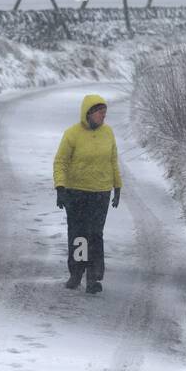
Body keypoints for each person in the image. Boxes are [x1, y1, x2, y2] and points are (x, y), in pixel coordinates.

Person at [53, 93, 122, 294]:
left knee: (95, 234)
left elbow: (113, 161)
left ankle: (93, 276)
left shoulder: (108, 133)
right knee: (79, 234)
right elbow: (61, 162)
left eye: (105, 113)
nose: (103, 116)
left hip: (101, 192)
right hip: (77, 193)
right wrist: (60, 187)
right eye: (100, 113)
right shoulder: (72, 134)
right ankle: (77, 272)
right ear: (88, 113)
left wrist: (117, 187)